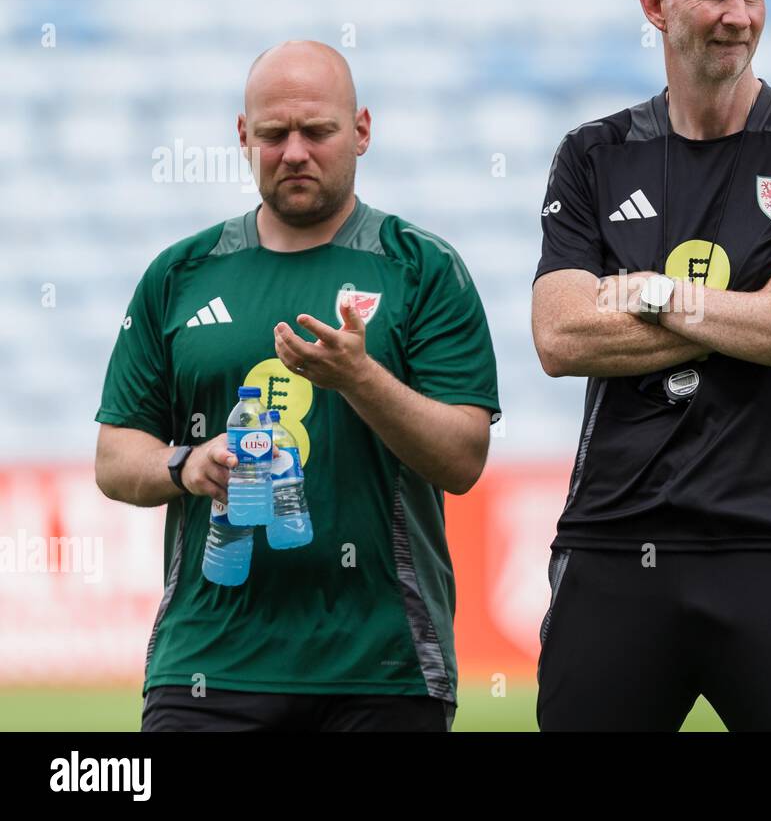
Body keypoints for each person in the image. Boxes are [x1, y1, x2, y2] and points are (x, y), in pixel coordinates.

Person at [530, 0, 771, 731]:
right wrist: (750, 313)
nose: (738, 16)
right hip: (614, 537)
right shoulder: (594, 153)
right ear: (655, 5)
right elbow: (561, 334)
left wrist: (651, 293)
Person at [93, 41, 500, 731]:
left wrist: (361, 379)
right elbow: (113, 457)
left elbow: (462, 459)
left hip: (383, 667)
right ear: (243, 137)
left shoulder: (422, 268)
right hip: (206, 666)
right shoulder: (180, 274)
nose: (295, 152)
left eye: (318, 131)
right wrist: (186, 464)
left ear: (362, 131)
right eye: (275, 134)